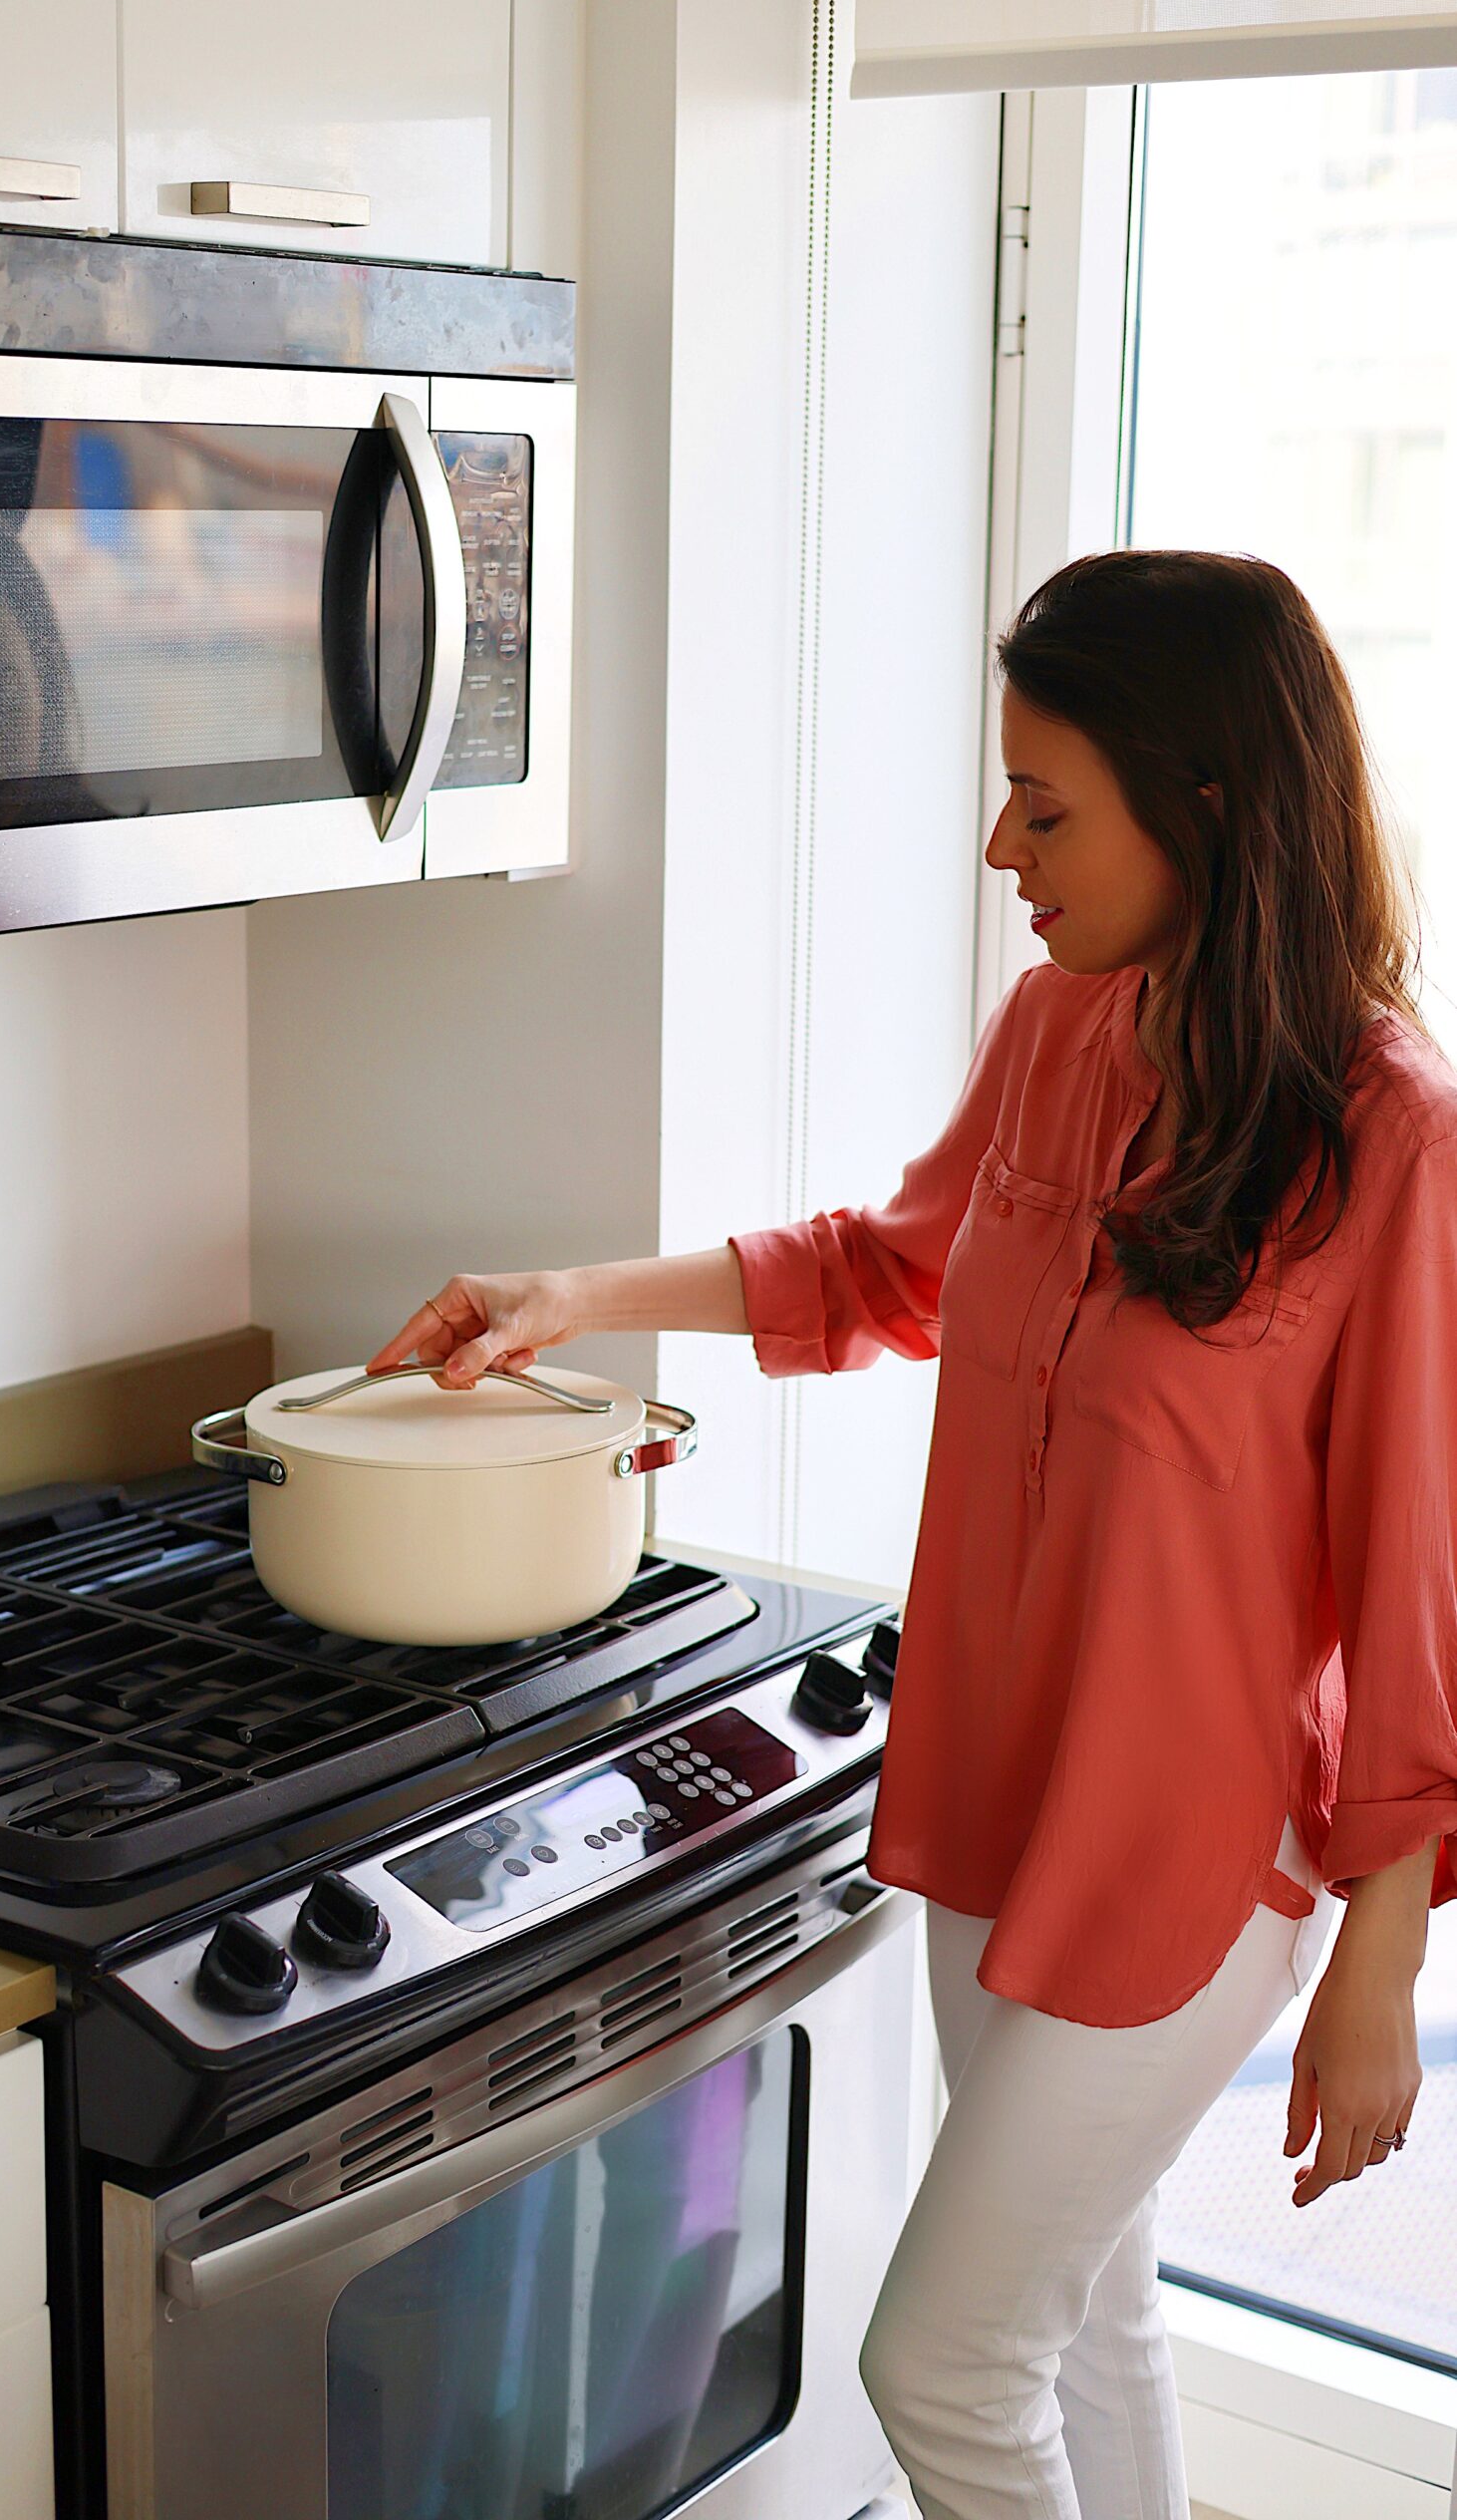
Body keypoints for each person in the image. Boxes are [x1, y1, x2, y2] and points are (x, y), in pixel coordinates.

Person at [367, 550, 1457, 2520]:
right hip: (994, 1789)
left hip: (1193, 1860)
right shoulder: (1061, 1029)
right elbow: (894, 1266)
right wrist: (567, 1292)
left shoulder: (1390, 1132)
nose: (996, 845)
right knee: (1081, 2311)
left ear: (1201, 795)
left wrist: (1383, 1951)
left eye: (1044, 803)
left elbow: (1415, 1571)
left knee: (940, 2363)